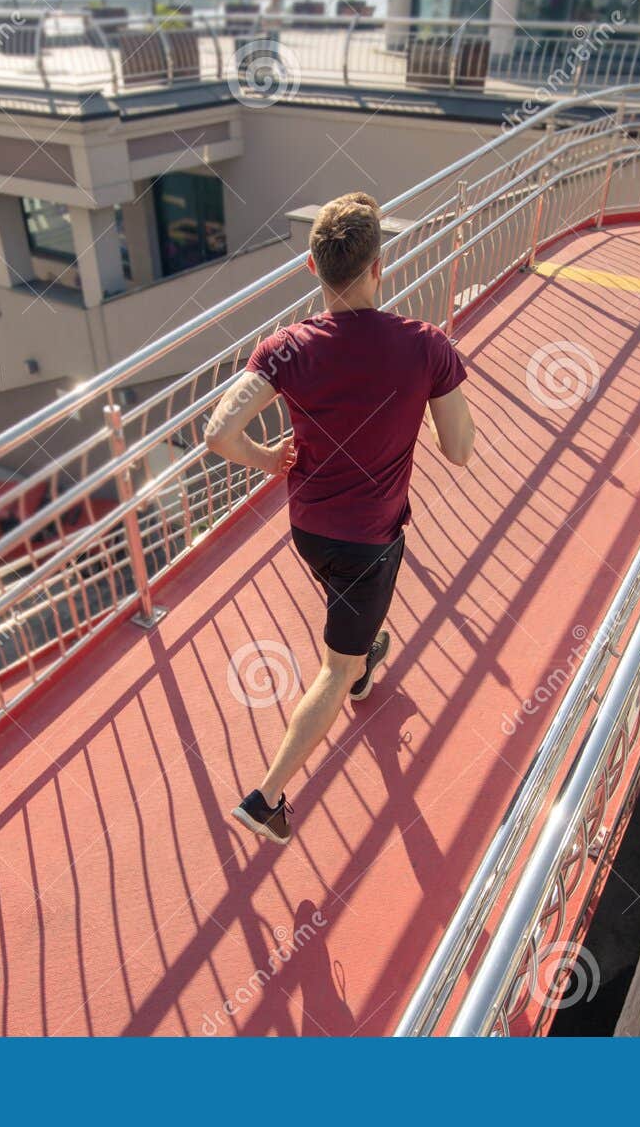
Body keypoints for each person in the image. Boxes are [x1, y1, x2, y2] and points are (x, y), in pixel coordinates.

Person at [205, 192, 475, 845]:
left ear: (311, 267)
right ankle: (265, 798)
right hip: (370, 541)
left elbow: (218, 432)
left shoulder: (286, 348)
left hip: (309, 528)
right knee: (333, 665)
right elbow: (461, 451)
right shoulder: (426, 347)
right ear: (380, 266)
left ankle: (366, 655)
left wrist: (266, 456)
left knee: (352, 622)